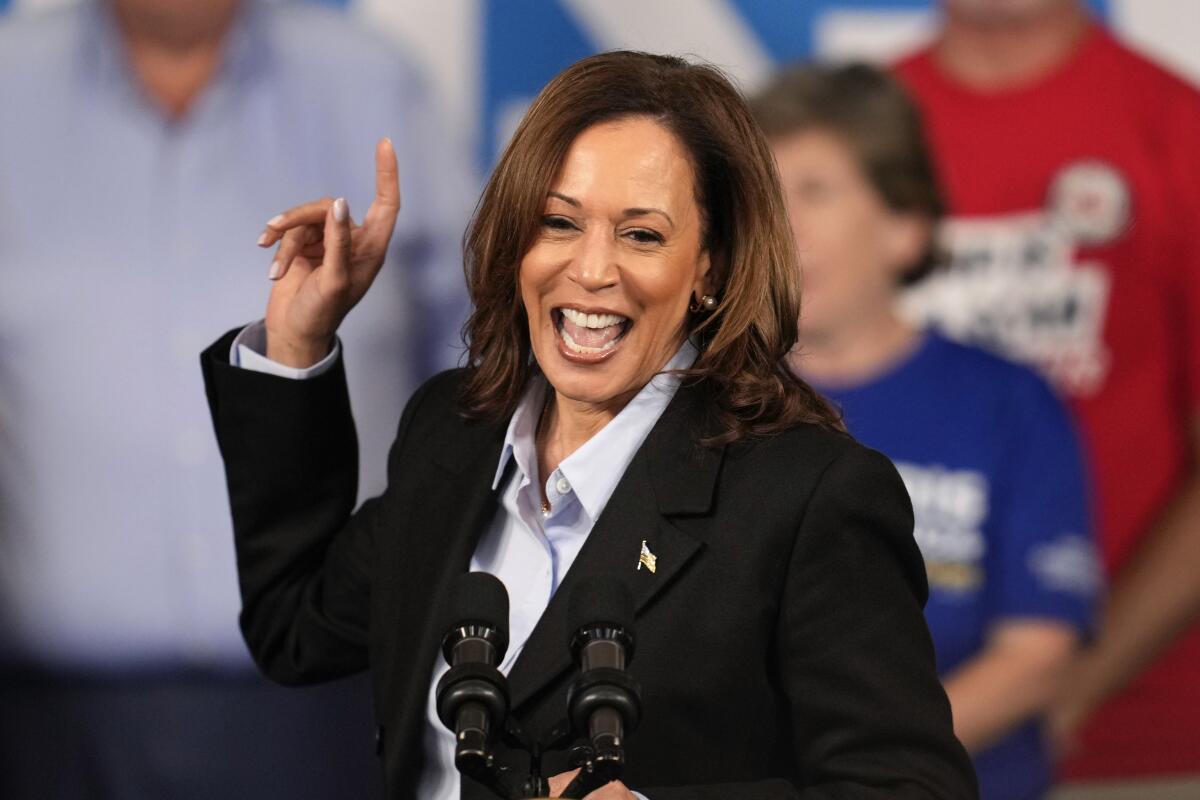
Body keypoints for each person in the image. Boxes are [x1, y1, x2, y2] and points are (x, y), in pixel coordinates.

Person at [201, 51, 979, 799]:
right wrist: (298, 343)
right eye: (559, 223)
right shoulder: (454, 429)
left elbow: (910, 786)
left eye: (641, 234)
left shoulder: (809, 496)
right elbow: (293, 629)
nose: (592, 270)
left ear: (709, 264)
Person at [0, 0, 469, 797]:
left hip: (332, 708)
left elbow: (483, 356)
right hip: (39, 722)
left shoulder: (372, 83)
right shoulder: (10, 82)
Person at [750, 63, 1096, 800]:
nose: (784, 225)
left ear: (906, 227)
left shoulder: (1009, 404)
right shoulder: (704, 406)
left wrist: (860, 768)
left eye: (814, 191)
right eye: (762, 196)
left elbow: (1038, 651)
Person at [892, 0, 1200, 792]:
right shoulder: (848, 144)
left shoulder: (1178, 131)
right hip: (859, 746)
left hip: (1128, 744)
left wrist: (1067, 689)